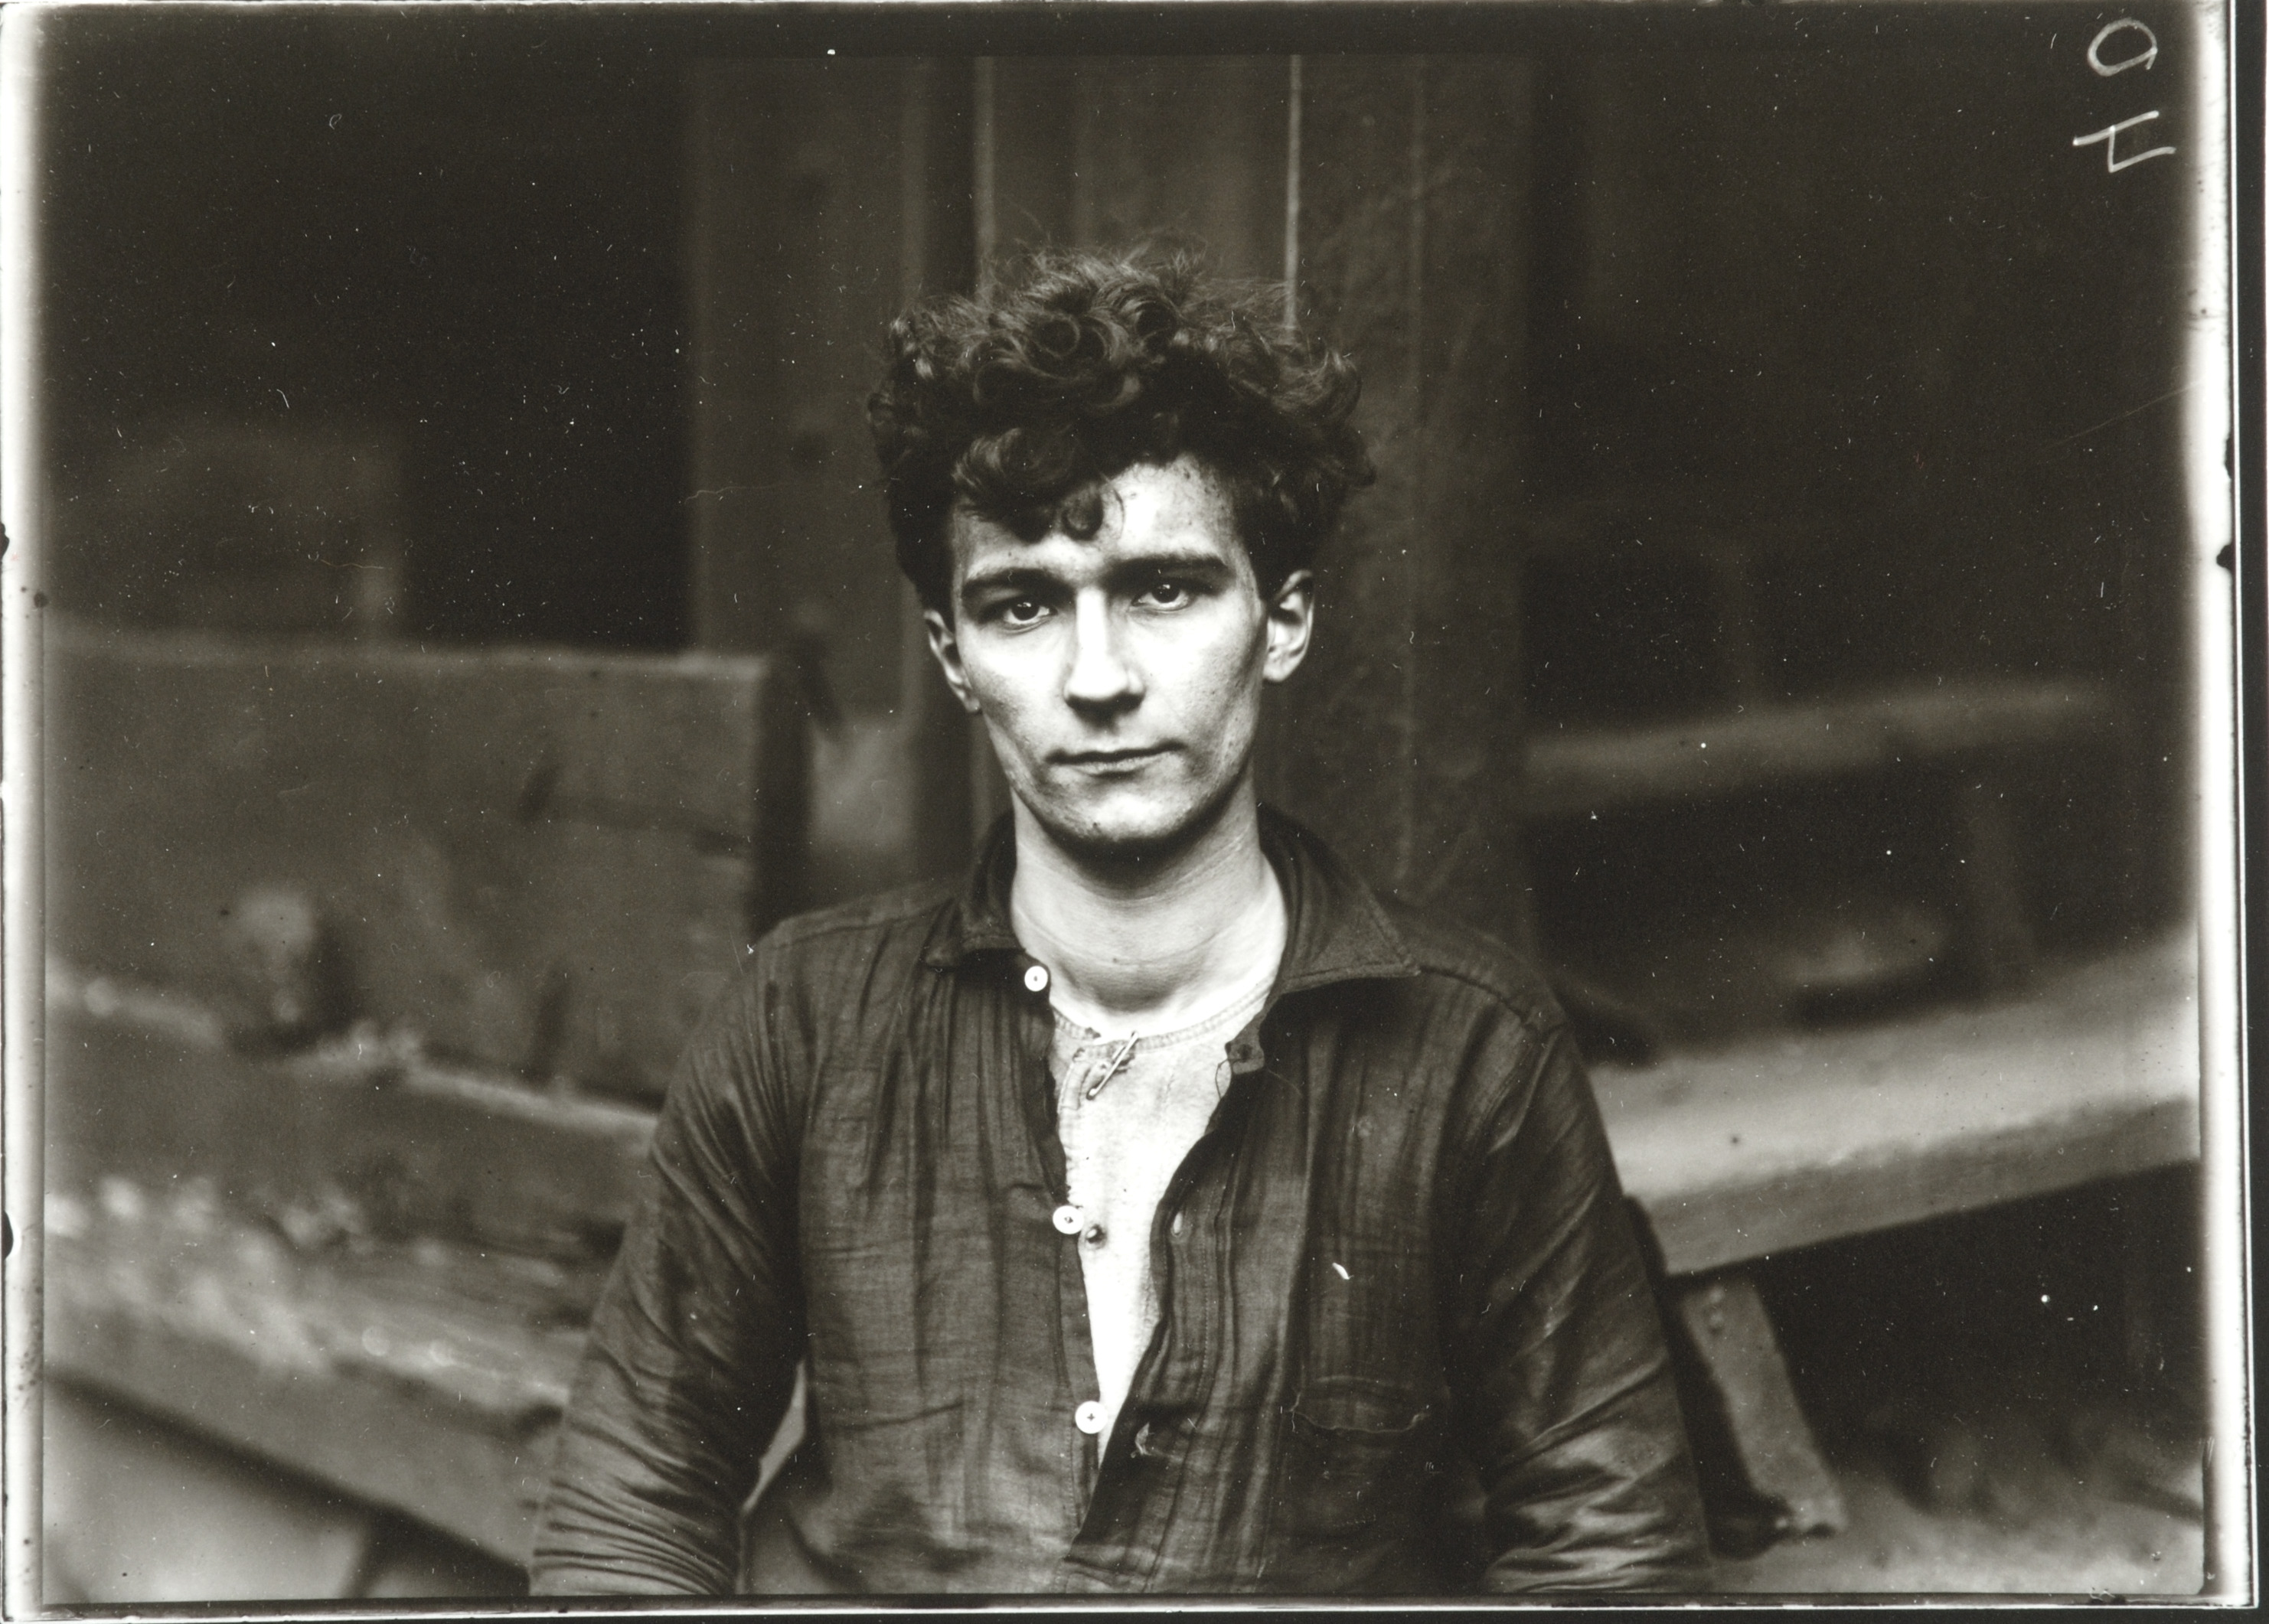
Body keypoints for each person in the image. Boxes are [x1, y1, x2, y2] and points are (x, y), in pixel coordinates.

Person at [530, 250, 1708, 1596]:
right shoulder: (802, 1017)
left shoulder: (1470, 1054)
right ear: (951, 657)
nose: (1099, 678)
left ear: (1284, 620)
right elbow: (627, 1514)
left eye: (1163, 589)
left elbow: (1614, 1557)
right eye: (1023, 605)